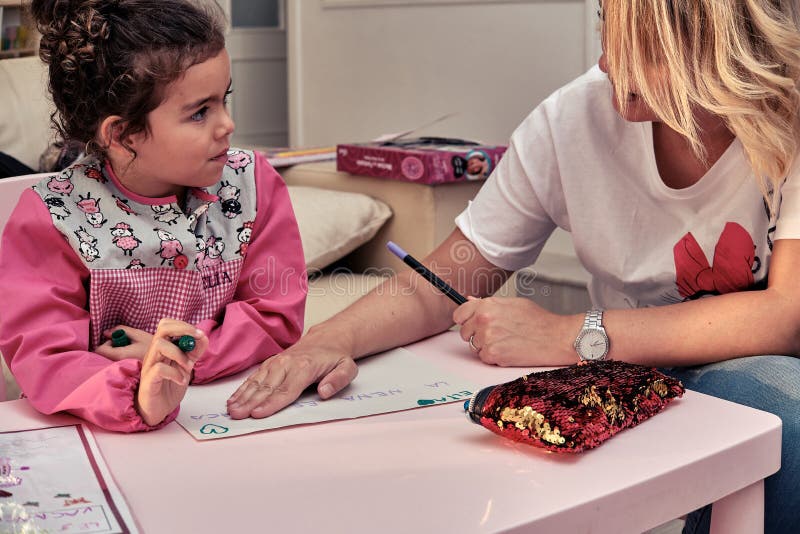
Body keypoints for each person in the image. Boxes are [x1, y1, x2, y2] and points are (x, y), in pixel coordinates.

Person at [226, 1, 800, 532]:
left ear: (714, 42)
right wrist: (327, 340)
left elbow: (785, 317)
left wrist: (569, 334)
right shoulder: (572, 118)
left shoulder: (789, 119)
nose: (604, 61)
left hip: (753, 370)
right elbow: (447, 280)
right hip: (631, 369)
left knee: (786, 418)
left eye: (639, 43)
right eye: (606, 24)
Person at [0, 0, 306, 431]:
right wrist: (136, 393)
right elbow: (46, 357)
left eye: (224, 100)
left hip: (233, 418)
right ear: (123, 135)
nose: (227, 125)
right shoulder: (52, 217)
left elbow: (276, 314)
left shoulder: (255, 184)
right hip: (112, 437)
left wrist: (186, 356)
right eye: (200, 112)